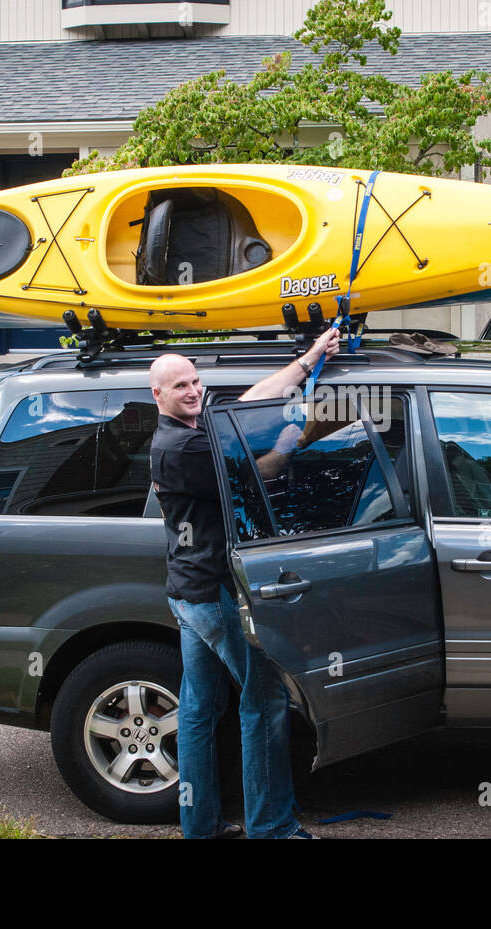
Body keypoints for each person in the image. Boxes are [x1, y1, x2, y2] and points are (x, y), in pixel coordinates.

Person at [148, 326, 340, 839]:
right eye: (180, 386)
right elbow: (263, 470)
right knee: (265, 700)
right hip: (212, 596)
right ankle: (271, 827)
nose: (193, 391)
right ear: (158, 396)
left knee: (199, 708)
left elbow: (251, 400)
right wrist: (303, 436)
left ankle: (201, 824)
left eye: (194, 381)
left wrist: (309, 359)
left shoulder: (192, 428)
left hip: (190, 593)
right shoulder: (182, 449)